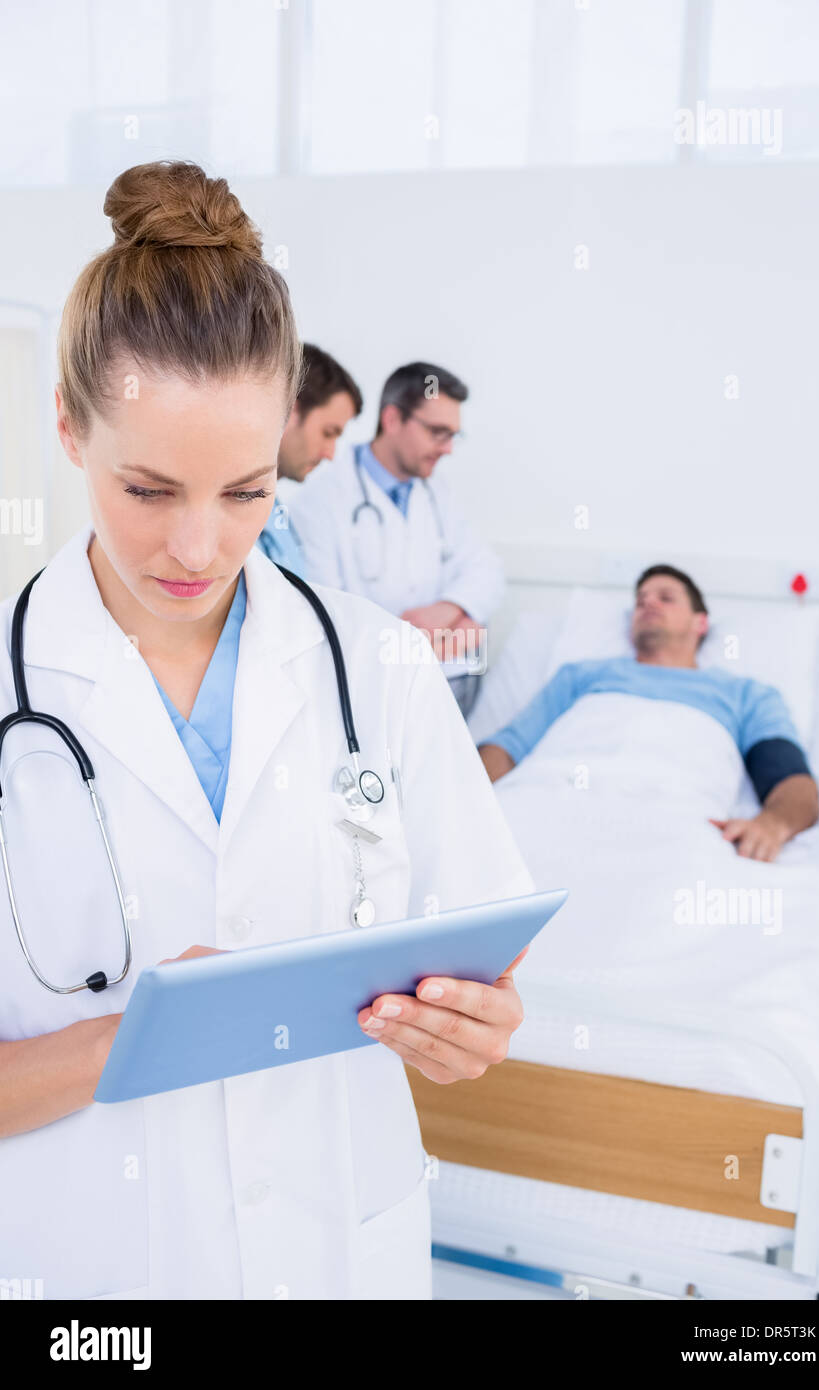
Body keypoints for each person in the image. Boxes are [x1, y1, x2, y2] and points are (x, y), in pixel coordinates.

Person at [0, 160, 535, 1301]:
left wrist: (471, 1034)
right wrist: (145, 1038)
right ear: (66, 425)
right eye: (148, 490)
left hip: (341, 1256)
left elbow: (486, 969)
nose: (197, 549)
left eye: (246, 493)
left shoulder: (379, 668)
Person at [479, 565, 818, 862]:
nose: (647, 604)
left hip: (674, 821)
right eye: (640, 601)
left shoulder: (746, 695)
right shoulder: (580, 676)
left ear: (701, 623)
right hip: (541, 805)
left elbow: (792, 782)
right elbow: (506, 748)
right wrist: (464, 796)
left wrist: (772, 825)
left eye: (665, 598)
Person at [288, 362, 505, 679]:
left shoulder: (437, 492)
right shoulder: (321, 497)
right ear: (392, 419)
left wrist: (451, 609)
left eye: (453, 436)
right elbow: (330, 617)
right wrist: (444, 640)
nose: (447, 449)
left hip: (442, 682)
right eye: (437, 433)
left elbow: (487, 570)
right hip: (369, 685)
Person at [256, 343, 362, 576]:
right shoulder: (224, 510)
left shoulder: (277, 516)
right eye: (328, 433)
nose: (330, 454)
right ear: (288, 410)